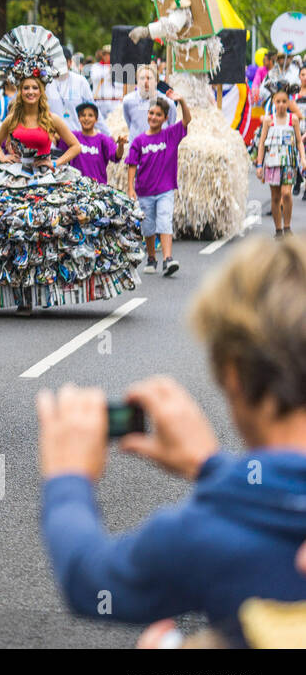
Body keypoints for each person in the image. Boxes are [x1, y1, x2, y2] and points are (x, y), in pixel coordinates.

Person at [37, 236, 306, 628]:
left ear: (232, 375)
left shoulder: (210, 531)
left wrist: (67, 480)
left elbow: (91, 581)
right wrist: (214, 469)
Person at [0, 25, 143, 311]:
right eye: (26, 88)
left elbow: (75, 147)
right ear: (20, 91)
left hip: (46, 176)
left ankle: (43, 291)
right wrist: (4, 157)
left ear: (41, 90)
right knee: (12, 229)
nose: (30, 91)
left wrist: (55, 162)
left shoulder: (53, 119)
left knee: (47, 231)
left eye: (35, 87)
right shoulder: (12, 118)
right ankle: (21, 296)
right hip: (14, 176)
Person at [126, 93, 191, 276]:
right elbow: (132, 164)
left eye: (158, 115)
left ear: (164, 118)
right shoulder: (139, 141)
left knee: (164, 221)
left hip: (165, 189)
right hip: (145, 191)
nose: (154, 117)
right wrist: (131, 188)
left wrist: (182, 101)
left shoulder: (170, 134)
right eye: (151, 113)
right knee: (148, 227)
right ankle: (152, 257)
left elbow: (187, 120)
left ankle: (168, 259)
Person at [255, 88, 304, 238]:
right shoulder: (268, 121)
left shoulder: (293, 120)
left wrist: (303, 158)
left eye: (284, 101)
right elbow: (262, 143)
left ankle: (287, 227)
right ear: (274, 103)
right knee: (275, 197)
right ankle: (278, 230)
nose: (281, 104)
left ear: (289, 102)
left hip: (289, 162)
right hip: (272, 163)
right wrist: (259, 164)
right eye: (278, 101)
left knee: (286, 194)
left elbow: (299, 142)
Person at [69, 101, 125, 184]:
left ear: (96, 119)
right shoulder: (73, 137)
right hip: (76, 187)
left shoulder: (103, 139)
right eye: (83, 115)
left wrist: (121, 145)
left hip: (97, 188)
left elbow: (117, 156)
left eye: (90, 115)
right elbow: (56, 139)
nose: (86, 118)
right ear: (79, 118)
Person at [120, 65, 177, 141]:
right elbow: (129, 122)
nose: (145, 81)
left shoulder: (168, 102)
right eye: (142, 78)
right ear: (137, 81)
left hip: (159, 146)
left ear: (156, 82)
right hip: (137, 147)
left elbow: (171, 123)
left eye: (149, 78)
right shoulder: (128, 101)